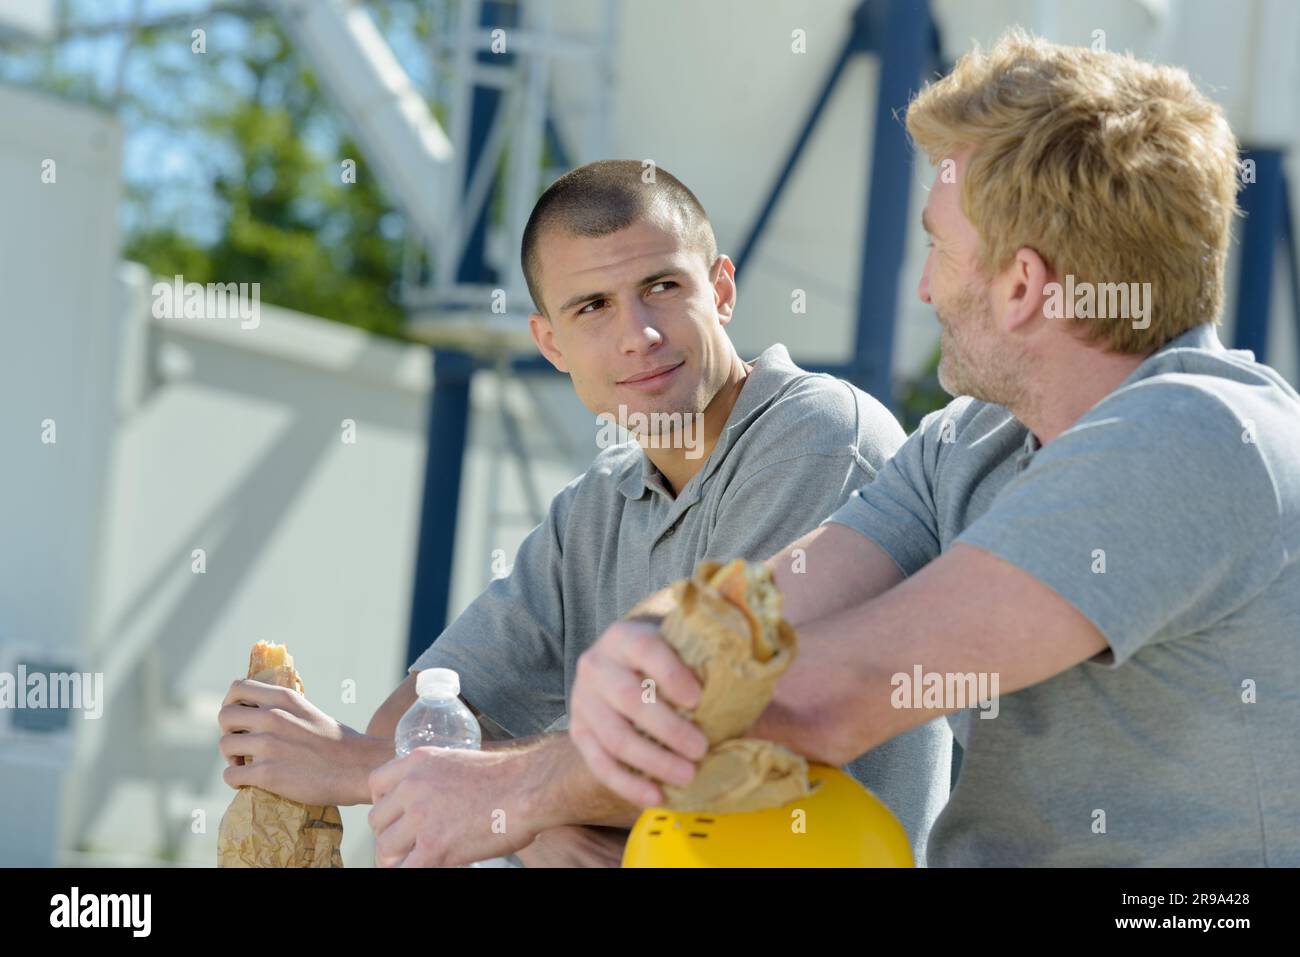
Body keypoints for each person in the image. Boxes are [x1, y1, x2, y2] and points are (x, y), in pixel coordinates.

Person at [569, 31, 1300, 866]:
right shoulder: (972, 438)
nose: (925, 287)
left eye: (938, 248)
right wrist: (654, 641)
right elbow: (764, 609)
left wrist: (528, 787)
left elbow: (820, 704)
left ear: (1022, 286)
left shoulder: (1200, 437)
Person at [218, 160, 952, 866]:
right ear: (551, 343)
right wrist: (529, 822)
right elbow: (422, 716)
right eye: (592, 306)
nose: (638, 334)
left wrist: (380, 772)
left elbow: (715, 744)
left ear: (721, 290)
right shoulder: (594, 508)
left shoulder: (819, 439)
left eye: (662, 286)